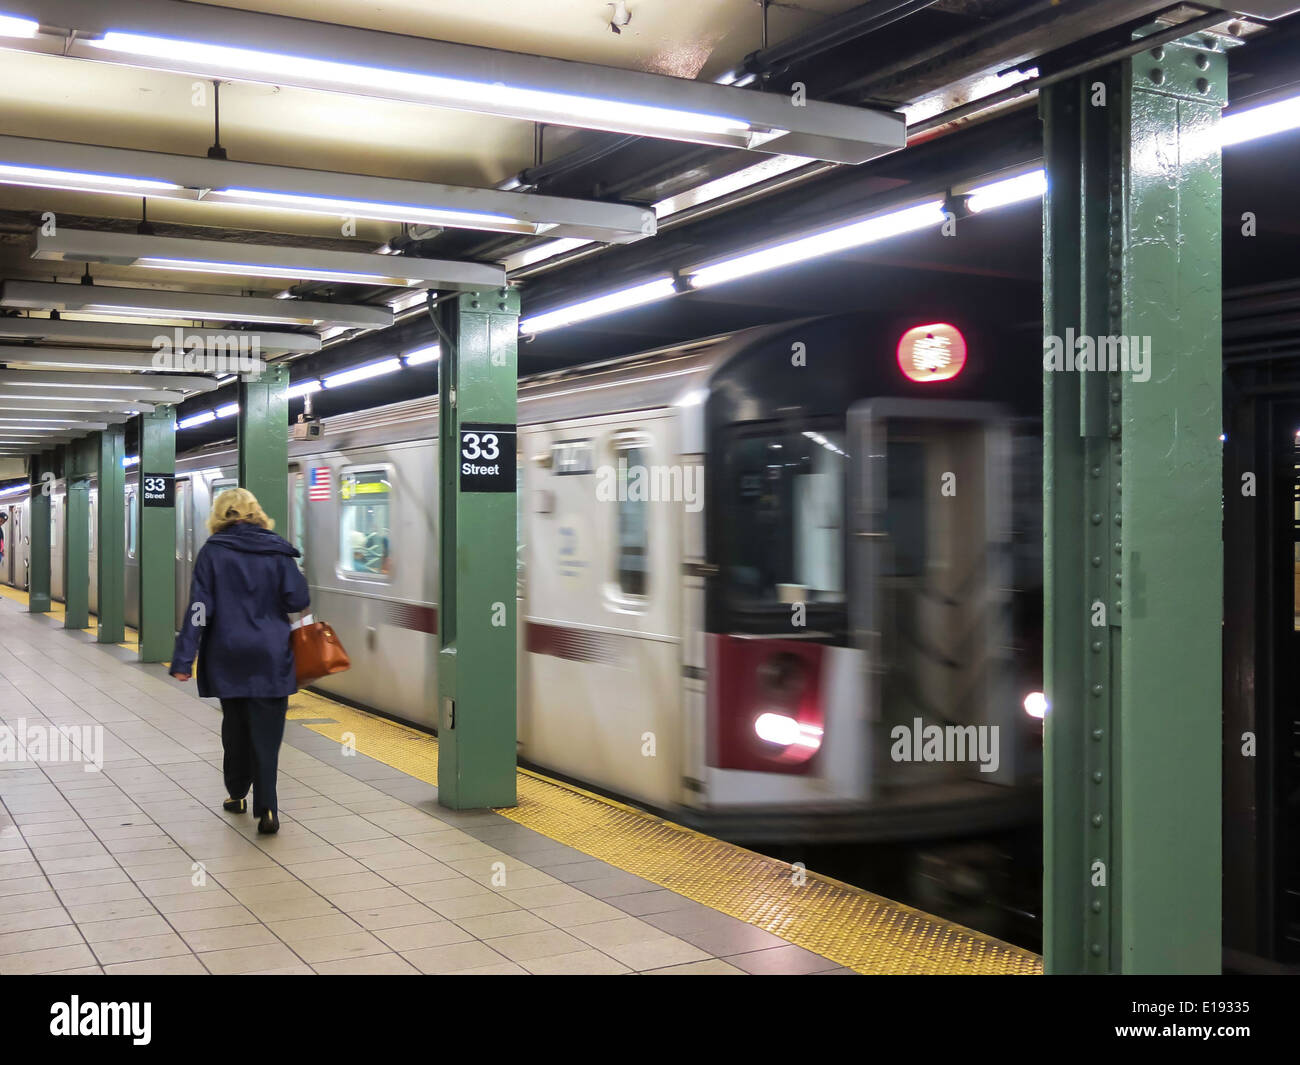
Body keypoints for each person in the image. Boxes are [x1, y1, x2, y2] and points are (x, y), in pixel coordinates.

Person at [169, 487, 309, 835]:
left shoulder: (212, 552)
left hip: (228, 653)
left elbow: (200, 609)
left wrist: (184, 658)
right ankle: (268, 809)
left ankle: (236, 793)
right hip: (271, 653)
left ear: (218, 515)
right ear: (256, 512)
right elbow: (297, 599)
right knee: (267, 733)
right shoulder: (278, 550)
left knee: (235, 727)